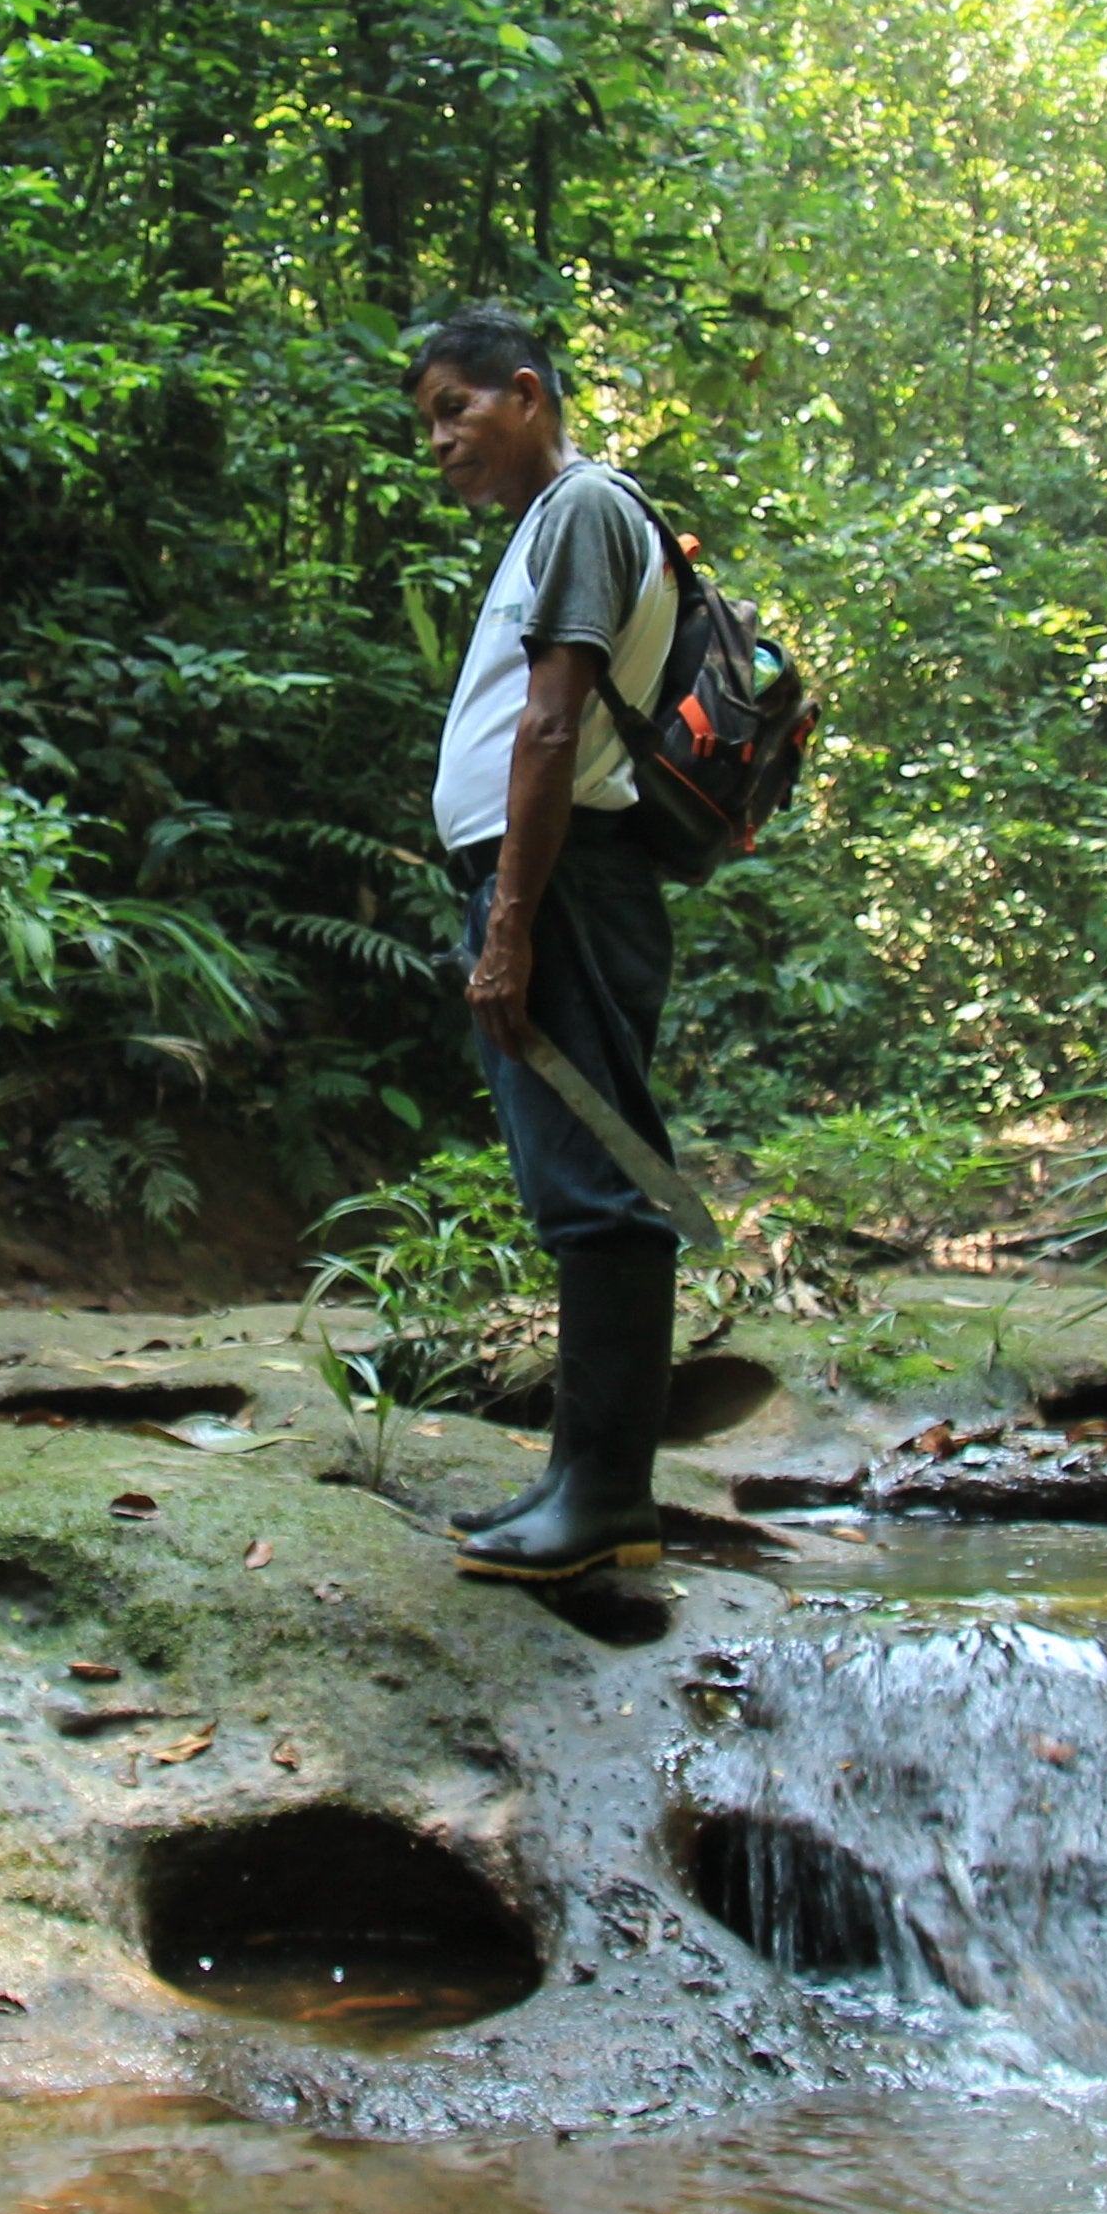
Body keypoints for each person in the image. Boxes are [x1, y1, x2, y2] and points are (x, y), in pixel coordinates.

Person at [409, 304, 689, 1586]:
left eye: (454, 409)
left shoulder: (582, 509)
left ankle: (606, 1499)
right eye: (428, 422)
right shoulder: (550, 524)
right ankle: (586, 1484)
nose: (440, 441)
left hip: (564, 880)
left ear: (526, 393)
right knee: (589, 1177)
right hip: (553, 880)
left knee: (601, 1185)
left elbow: (550, 727)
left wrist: (511, 924)